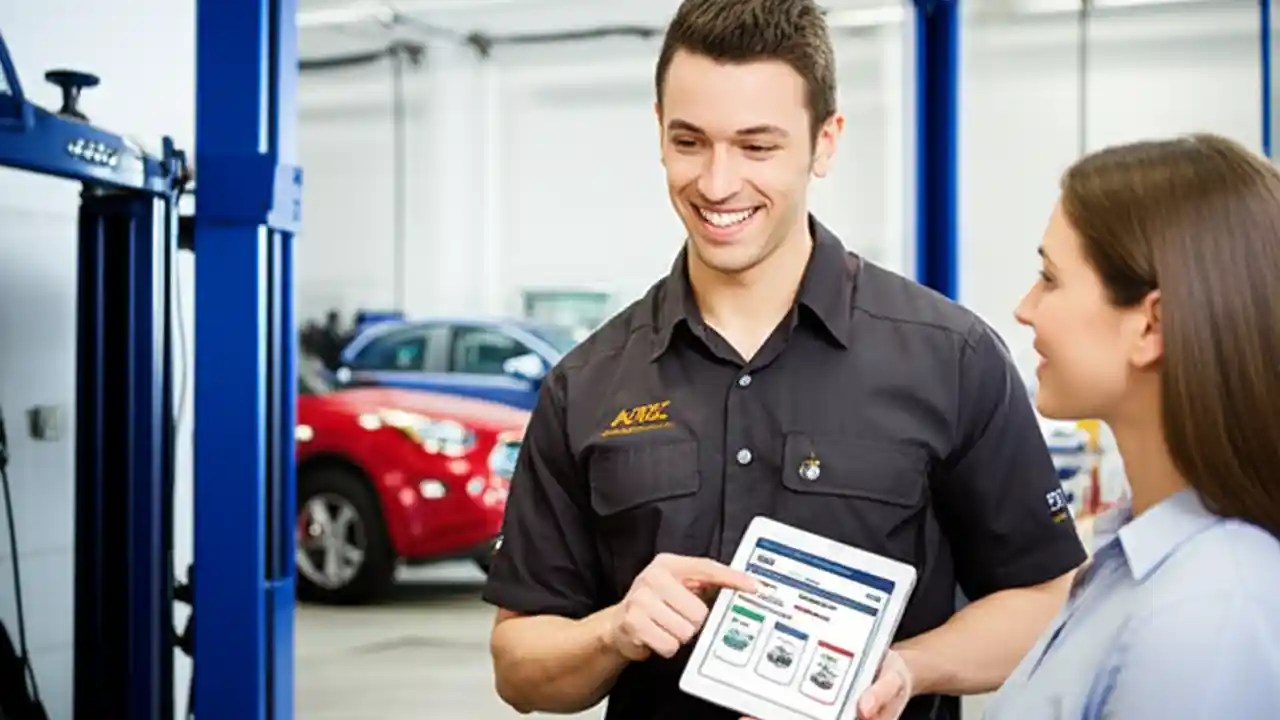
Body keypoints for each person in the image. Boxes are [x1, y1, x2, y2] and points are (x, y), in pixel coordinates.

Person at [483, 1, 1087, 718]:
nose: (717, 183)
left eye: (757, 147)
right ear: (660, 131)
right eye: (689, 142)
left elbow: (1042, 597)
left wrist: (905, 670)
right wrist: (612, 632)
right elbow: (519, 666)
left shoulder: (951, 358)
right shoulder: (586, 385)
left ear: (824, 143)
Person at [986, 133, 1280, 718]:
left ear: (1152, 326)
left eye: (1050, 279)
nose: (1025, 308)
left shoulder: (1208, 611)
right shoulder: (1134, 564)